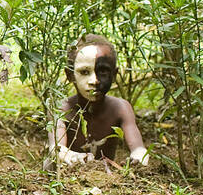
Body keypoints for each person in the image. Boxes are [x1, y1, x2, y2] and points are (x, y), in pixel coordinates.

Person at [56, 34, 149, 166]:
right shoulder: (62, 108)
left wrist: (138, 158)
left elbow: (139, 150)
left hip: (105, 179)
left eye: (103, 72)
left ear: (114, 75)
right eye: (84, 72)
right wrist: (71, 156)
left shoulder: (120, 108)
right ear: (70, 75)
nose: (94, 81)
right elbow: (56, 149)